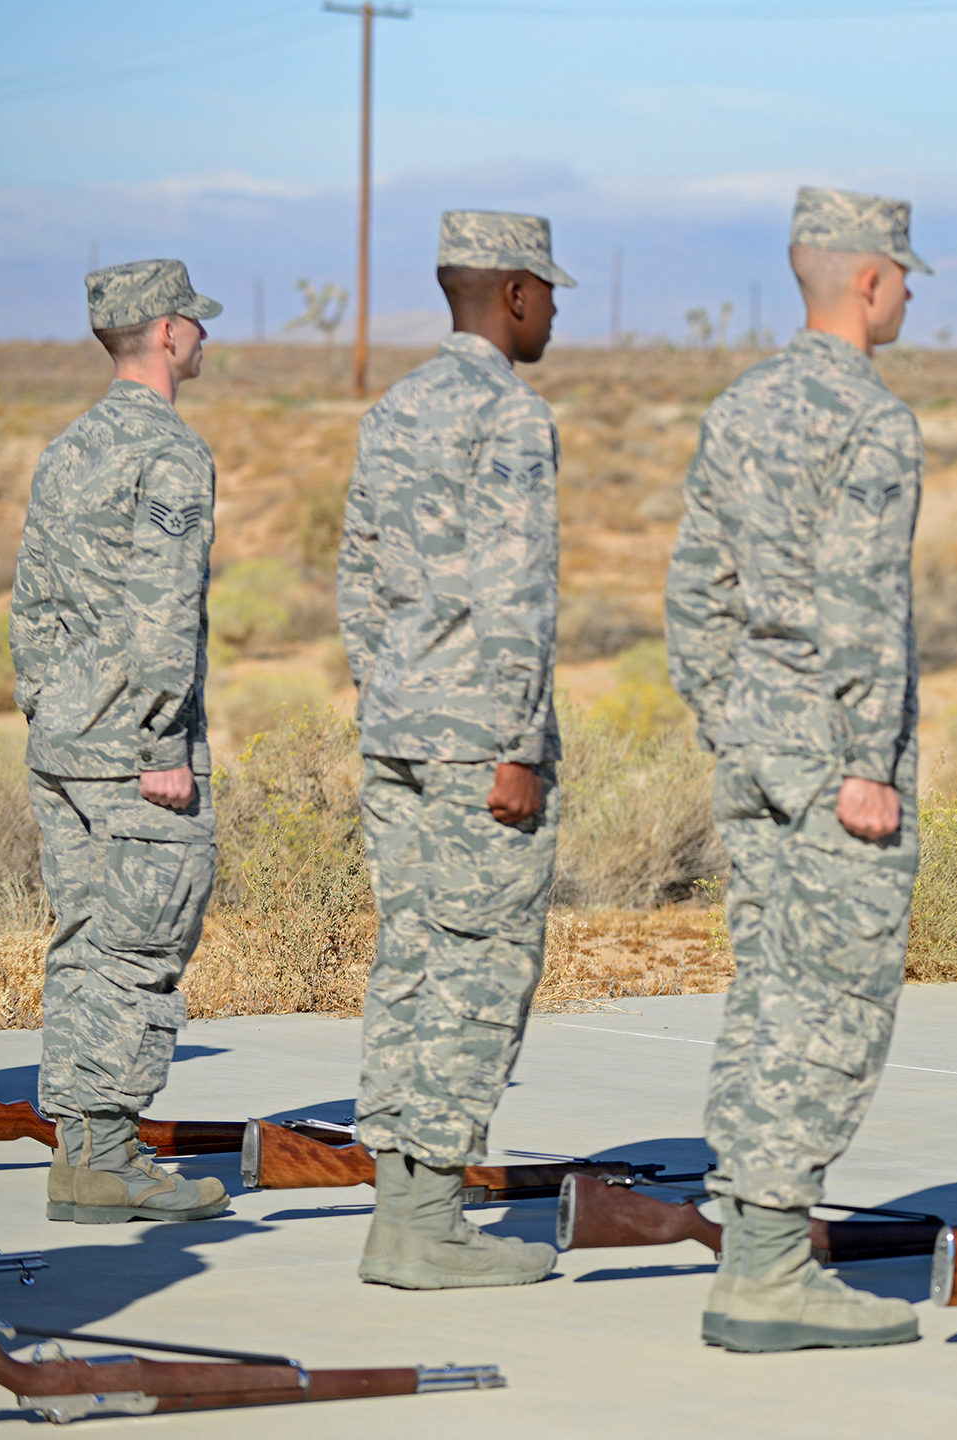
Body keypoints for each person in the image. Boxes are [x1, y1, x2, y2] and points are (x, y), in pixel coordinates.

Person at [666, 186, 929, 1352]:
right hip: (833, 753)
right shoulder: (870, 419)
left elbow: (694, 593)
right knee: (829, 996)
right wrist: (865, 759)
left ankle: (751, 1227)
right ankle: (769, 1266)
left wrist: (732, 722)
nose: (909, 293)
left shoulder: (743, 407)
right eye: (906, 274)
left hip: (760, 744)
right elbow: (862, 602)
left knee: (768, 983)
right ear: (868, 281)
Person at [336, 211, 573, 1287]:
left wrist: (383, 696)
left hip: (398, 727)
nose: (555, 313)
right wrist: (518, 738)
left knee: (413, 956)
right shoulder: (507, 415)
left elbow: (357, 576)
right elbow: (516, 591)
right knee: (478, 965)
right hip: (482, 742)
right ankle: (425, 1222)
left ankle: (400, 1200)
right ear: (515, 295)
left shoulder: (393, 410)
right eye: (549, 294)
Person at [11, 259, 233, 1225]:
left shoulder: (68, 449)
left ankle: (78, 1158)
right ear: (170, 333)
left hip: (63, 738)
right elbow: (164, 607)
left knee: (82, 943)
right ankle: (107, 1158)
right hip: (130, 749)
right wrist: (159, 743)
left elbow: (32, 601)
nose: (205, 338)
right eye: (197, 323)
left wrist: (43, 706)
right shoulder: (169, 452)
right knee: (138, 948)